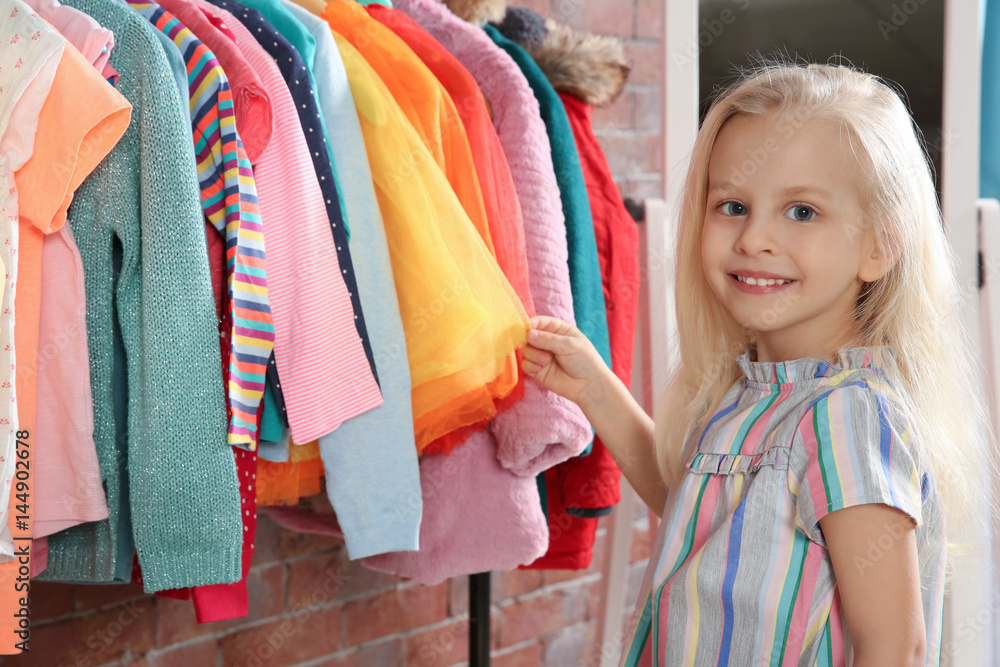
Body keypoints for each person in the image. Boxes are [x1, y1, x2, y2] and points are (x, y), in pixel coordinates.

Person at [520, 59, 994, 666]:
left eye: (801, 212)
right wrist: (596, 390)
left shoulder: (846, 414)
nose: (752, 240)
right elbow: (699, 505)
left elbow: (895, 648)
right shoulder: (751, 394)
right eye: (733, 206)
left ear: (881, 245)